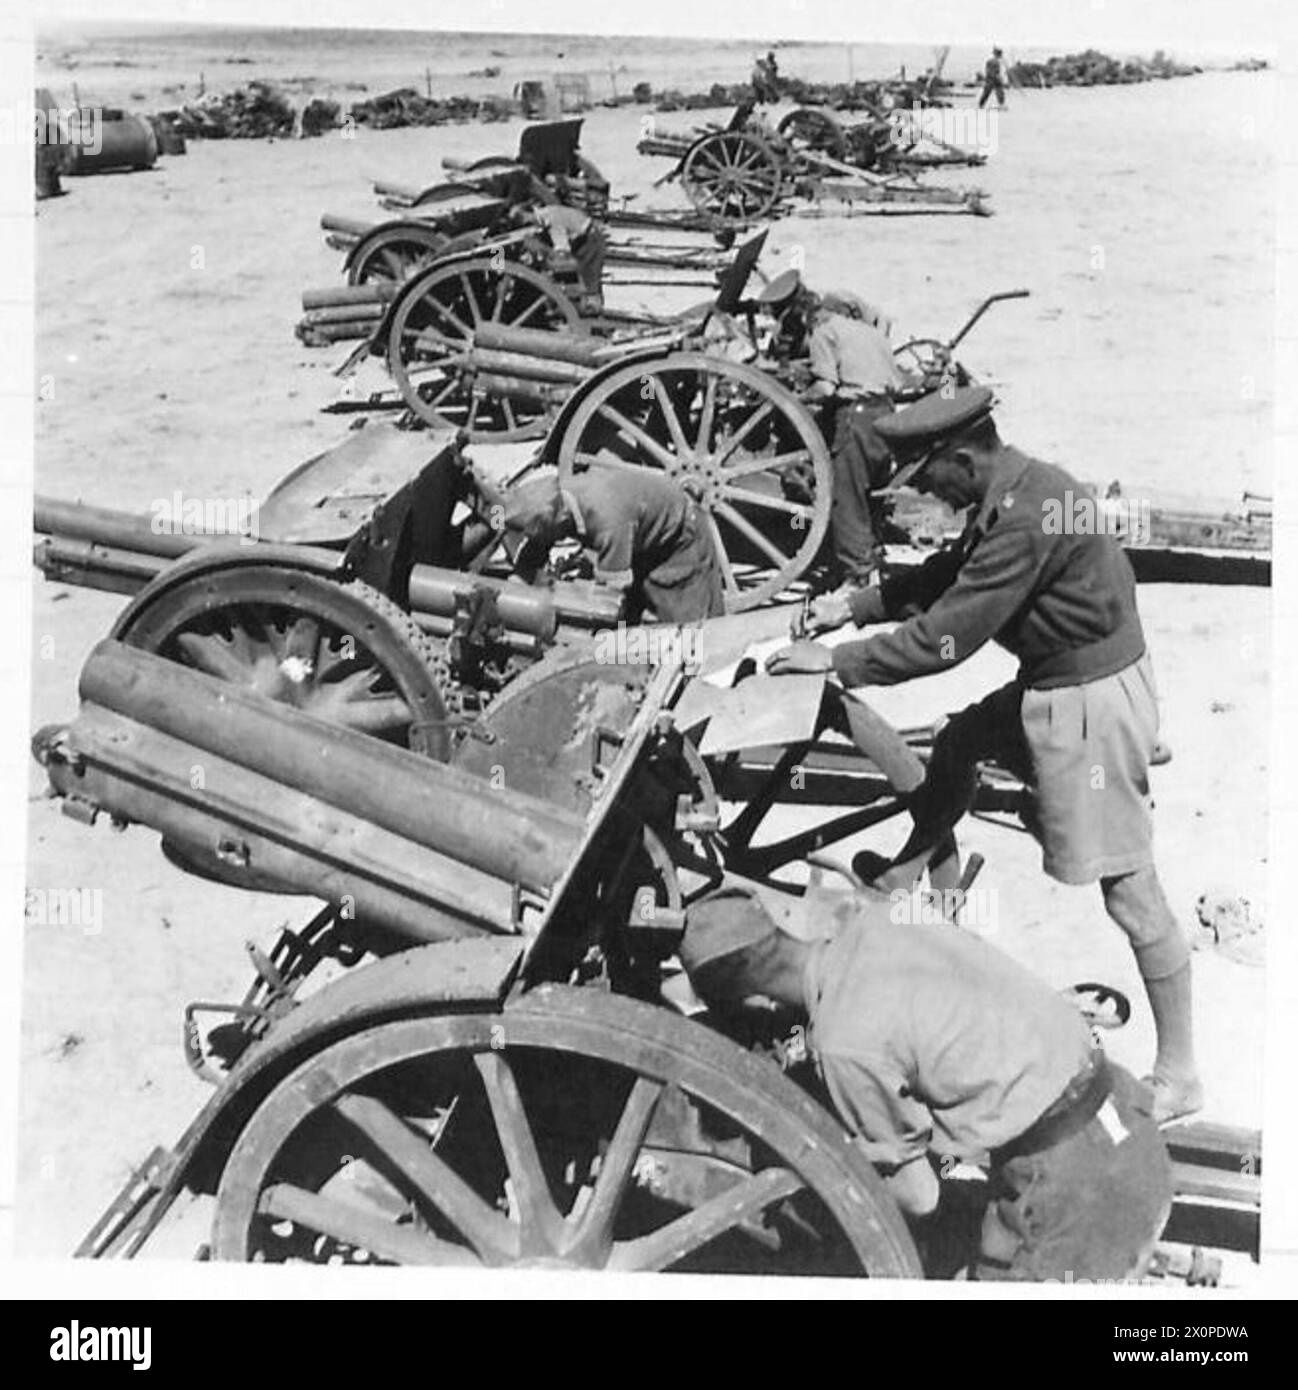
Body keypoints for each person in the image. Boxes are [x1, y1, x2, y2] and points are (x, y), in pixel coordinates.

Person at [763, 387, 1201, 1124]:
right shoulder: (1018, 488)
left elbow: (946, 638)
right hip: (1066, 676)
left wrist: (838, 664)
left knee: (1129, 891)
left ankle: (1181, 1073)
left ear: (962, 457)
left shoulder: (1024, 516)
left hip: (1086, 701)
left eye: (930, 479)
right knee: (962, 742)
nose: (929, 494)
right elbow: (949, 574)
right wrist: (858, 606)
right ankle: (911, 868)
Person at [680, 885, 1174, 1281]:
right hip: (1128, 1118)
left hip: (1085, 1200)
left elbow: (920, 1197)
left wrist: (821, 1167)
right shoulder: (883, 914)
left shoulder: (844, 1041)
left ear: (756, 1006)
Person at [757, 269, 904, 587]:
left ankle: (857, 577)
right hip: (887, 413)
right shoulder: (869, 332)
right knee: (868, 489)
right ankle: (871, 555)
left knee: (844, 496)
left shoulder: (825, 334)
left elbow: (825, 388)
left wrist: (794, 400)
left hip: (856, 417)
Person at [497, 467, 726, 624]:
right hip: (643, 532)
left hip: (680, 541)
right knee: (641, 607)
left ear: (560, 520)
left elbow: (611, 598)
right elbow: (538, 537)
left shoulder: (608, 522)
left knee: (689, 632)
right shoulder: (557, 497)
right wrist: (522, 577)